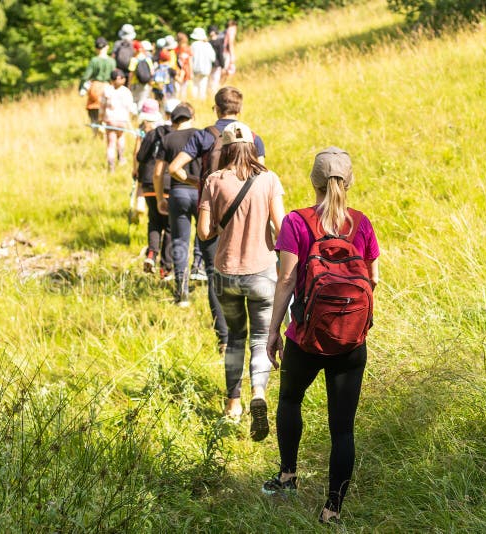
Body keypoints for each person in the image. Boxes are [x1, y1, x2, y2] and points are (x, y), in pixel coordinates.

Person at [262, 148, 380, 524]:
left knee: (290, 401)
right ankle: (332, 509)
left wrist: (274, 331)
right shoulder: (362, 224)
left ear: (313, 181)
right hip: (351, 341)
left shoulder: (297, 222)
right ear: (349, 182)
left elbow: (286, 279)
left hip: (305, 337)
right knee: (342, 429)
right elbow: (373, 279)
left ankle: (287, 476)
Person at [197, 121, 285, 437]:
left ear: (226, 148)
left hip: (226, 275)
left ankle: (233, 403)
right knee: (261, 339)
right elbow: (282, 229)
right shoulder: (269, 179)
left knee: (236, 337)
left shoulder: (213, 180)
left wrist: (224, 229)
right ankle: (258, 394)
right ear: (251, 146)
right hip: (262, 273)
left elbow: (204, 232)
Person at [169, 86, 266, 354]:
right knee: (251, 269)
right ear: (240, 109)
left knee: (216, 275)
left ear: (216, 108)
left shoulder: (204, 135)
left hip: (212, 217)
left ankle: (225, 338)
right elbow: (262, 174)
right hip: (247, 216)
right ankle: (256, 338)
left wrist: (196, 182)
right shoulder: (253, 138)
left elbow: (174, 168)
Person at [154, 103, 199, 306]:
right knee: (206, 238)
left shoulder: (167, 139)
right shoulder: (201, 135)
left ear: (173, 120)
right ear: (191, 118)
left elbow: (157, 173)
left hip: (177, 192)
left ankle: (182, 293)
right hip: (200, 192)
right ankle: (202, 270)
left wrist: (159, 198)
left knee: (180, 241)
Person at [134, 98, 174, 279]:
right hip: (168, 185)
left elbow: (140, 156)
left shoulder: (151, 133)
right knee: (170, 227)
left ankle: (151, 254)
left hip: (149, 184)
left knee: (154, 221)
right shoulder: (175, 135)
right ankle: (165, 268)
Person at [79, 37, 116, 135]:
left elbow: (86, 76)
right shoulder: (112, 61)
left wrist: (81, 88)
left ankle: (95, 132)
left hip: (95, 87)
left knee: (93, 111)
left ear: (96, 48)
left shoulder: (94, 60)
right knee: (106, 111)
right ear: (107, 47)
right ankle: (104, 128)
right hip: (108, 87)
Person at [100, 69, 134, 172]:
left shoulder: (107, 91)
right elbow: (130, 108)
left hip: (110, 120)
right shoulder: (126, 91)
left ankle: (111, 165)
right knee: (121, 138)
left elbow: (102, 107)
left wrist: (100, 119)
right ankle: (121, 157)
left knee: (111, 143)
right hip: (122, 120)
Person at [189, 27, 216, 100]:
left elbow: (190, 58)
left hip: (195, 69)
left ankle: (194, 101)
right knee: (203, 87)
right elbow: (213, 58)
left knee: (195, 86)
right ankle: (202, 101)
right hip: (205, 70)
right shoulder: (207, 45)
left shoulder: (193, 45)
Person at [128, 41, 154, 112]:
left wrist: (129, 85)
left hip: (135, 84)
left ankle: (134, 118)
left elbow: (131, 74)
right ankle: (141, 117)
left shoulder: (133, 60)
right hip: (145, 84)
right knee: (142, 101)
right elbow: (152, 72)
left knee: (134, 101)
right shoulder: (148, 59)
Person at [208, 25, 225, 96]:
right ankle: (214, 94)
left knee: (210, 80)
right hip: (217, 64)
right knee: (215, 80)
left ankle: (210, 93)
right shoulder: (219, 42)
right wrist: (223, 65)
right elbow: (220, 55)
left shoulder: (208, 43)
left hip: (209, 64)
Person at [175, 33, 192, 99]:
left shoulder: (187, 49)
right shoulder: (176, 49)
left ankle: (182, 100)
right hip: (178, 71)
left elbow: (190, 62)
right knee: (178, 89)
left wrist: (191, 72)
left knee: (183, 89)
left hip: (185, 70)